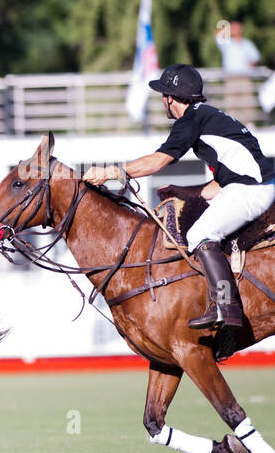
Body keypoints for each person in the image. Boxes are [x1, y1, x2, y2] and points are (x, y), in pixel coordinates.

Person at [83, 63, 275, 329]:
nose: (163, 101)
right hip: (252, 186)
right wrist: (184, 192)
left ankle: (226, 305)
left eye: (163, 95)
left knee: (199, 235)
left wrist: (111, 172)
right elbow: (217, 187)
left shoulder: (190, 121)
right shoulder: (210, 116)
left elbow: (157, 162)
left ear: (170, 98)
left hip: (252, 191)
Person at [216, 20, 262, 121]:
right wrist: (227, 28)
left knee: (248, 102)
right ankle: (232, 123)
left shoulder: (247, 44)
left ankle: (250, 123)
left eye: (237, 28)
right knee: (231, 103)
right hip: (231, 78)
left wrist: (251, 64)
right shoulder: (227, 43)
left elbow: (255, 57)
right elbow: (217, 37)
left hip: (245, 77)